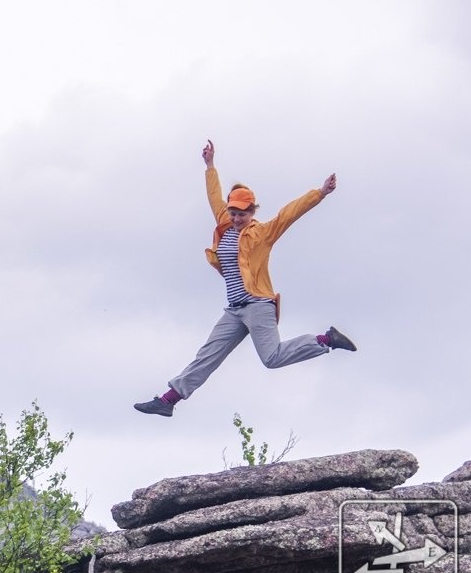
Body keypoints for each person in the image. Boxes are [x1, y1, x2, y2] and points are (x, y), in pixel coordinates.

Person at [134, 139, 356, 418]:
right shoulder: (224, 224)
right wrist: (210, 165)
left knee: (272, 358)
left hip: (258, 305)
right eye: (233, 213)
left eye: (242, 214)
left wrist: (320, 193)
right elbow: (214, 197)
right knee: (207, 356)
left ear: (252, 213)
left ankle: (325, 340)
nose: (236, 219)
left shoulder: (263, 232)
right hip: (235, 309)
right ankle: (168, 400)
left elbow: (289, 213)